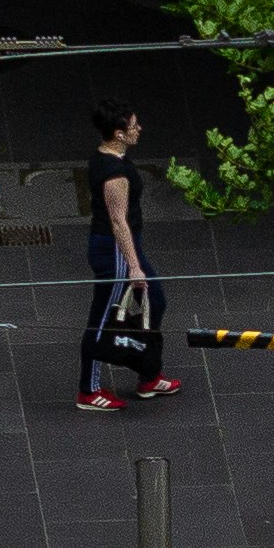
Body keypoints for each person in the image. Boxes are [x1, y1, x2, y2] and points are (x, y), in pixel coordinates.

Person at [75, 105, 181, 413]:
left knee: (155, 301)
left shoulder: (113, 157)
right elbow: (118, 221)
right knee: (101, 322)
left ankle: (148, 373)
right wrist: (133, 266)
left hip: (126, 247)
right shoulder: (114, 173)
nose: (140, 129)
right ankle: (89, 390)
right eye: (134, 126)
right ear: (119, 134)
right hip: (115, 251)